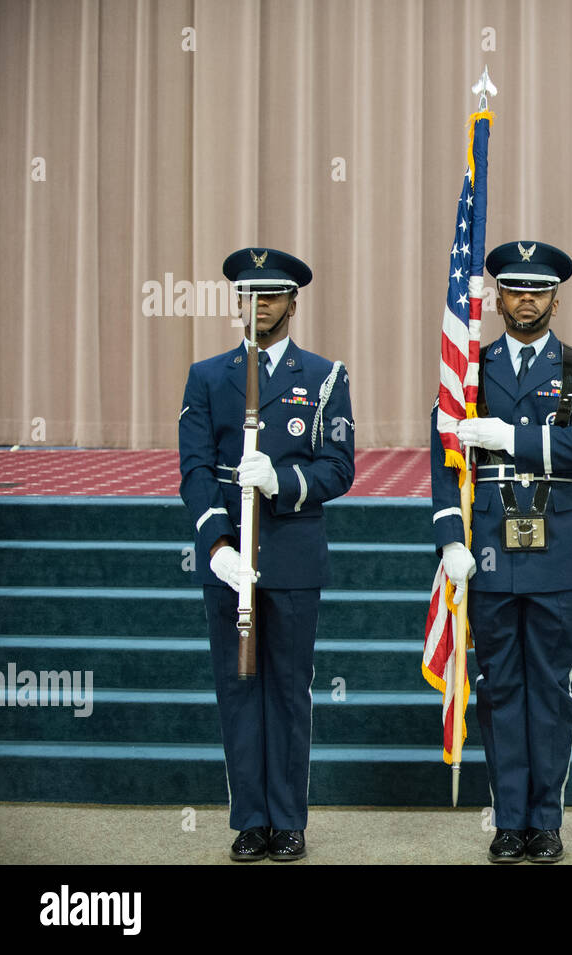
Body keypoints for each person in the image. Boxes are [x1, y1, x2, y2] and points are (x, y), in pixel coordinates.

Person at [431, 240, 572, 864]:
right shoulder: (469, 369)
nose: (527, 298)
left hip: (558, 541)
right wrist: (449, 537)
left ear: (556, 298)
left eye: (538, 289)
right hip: (486, 539)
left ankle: (546, 820)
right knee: (500, 686)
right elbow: (443, 459)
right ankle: (509, 819)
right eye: (515, 289)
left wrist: (511, 435)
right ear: (498, 299)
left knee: (551, 686)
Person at [178, 248, 355, 862]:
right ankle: (251, 819)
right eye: (249, 295)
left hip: (294, 553)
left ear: (292, 301)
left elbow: (339, 468)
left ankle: (289, 819)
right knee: (238, 687)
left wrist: (283, 481)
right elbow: (195, 470)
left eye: (272, 295)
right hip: (230, 557)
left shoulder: (325, 376)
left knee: (287, 689)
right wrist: (216, 544)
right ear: (237, 302)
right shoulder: (207, 376)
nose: (260, 306)